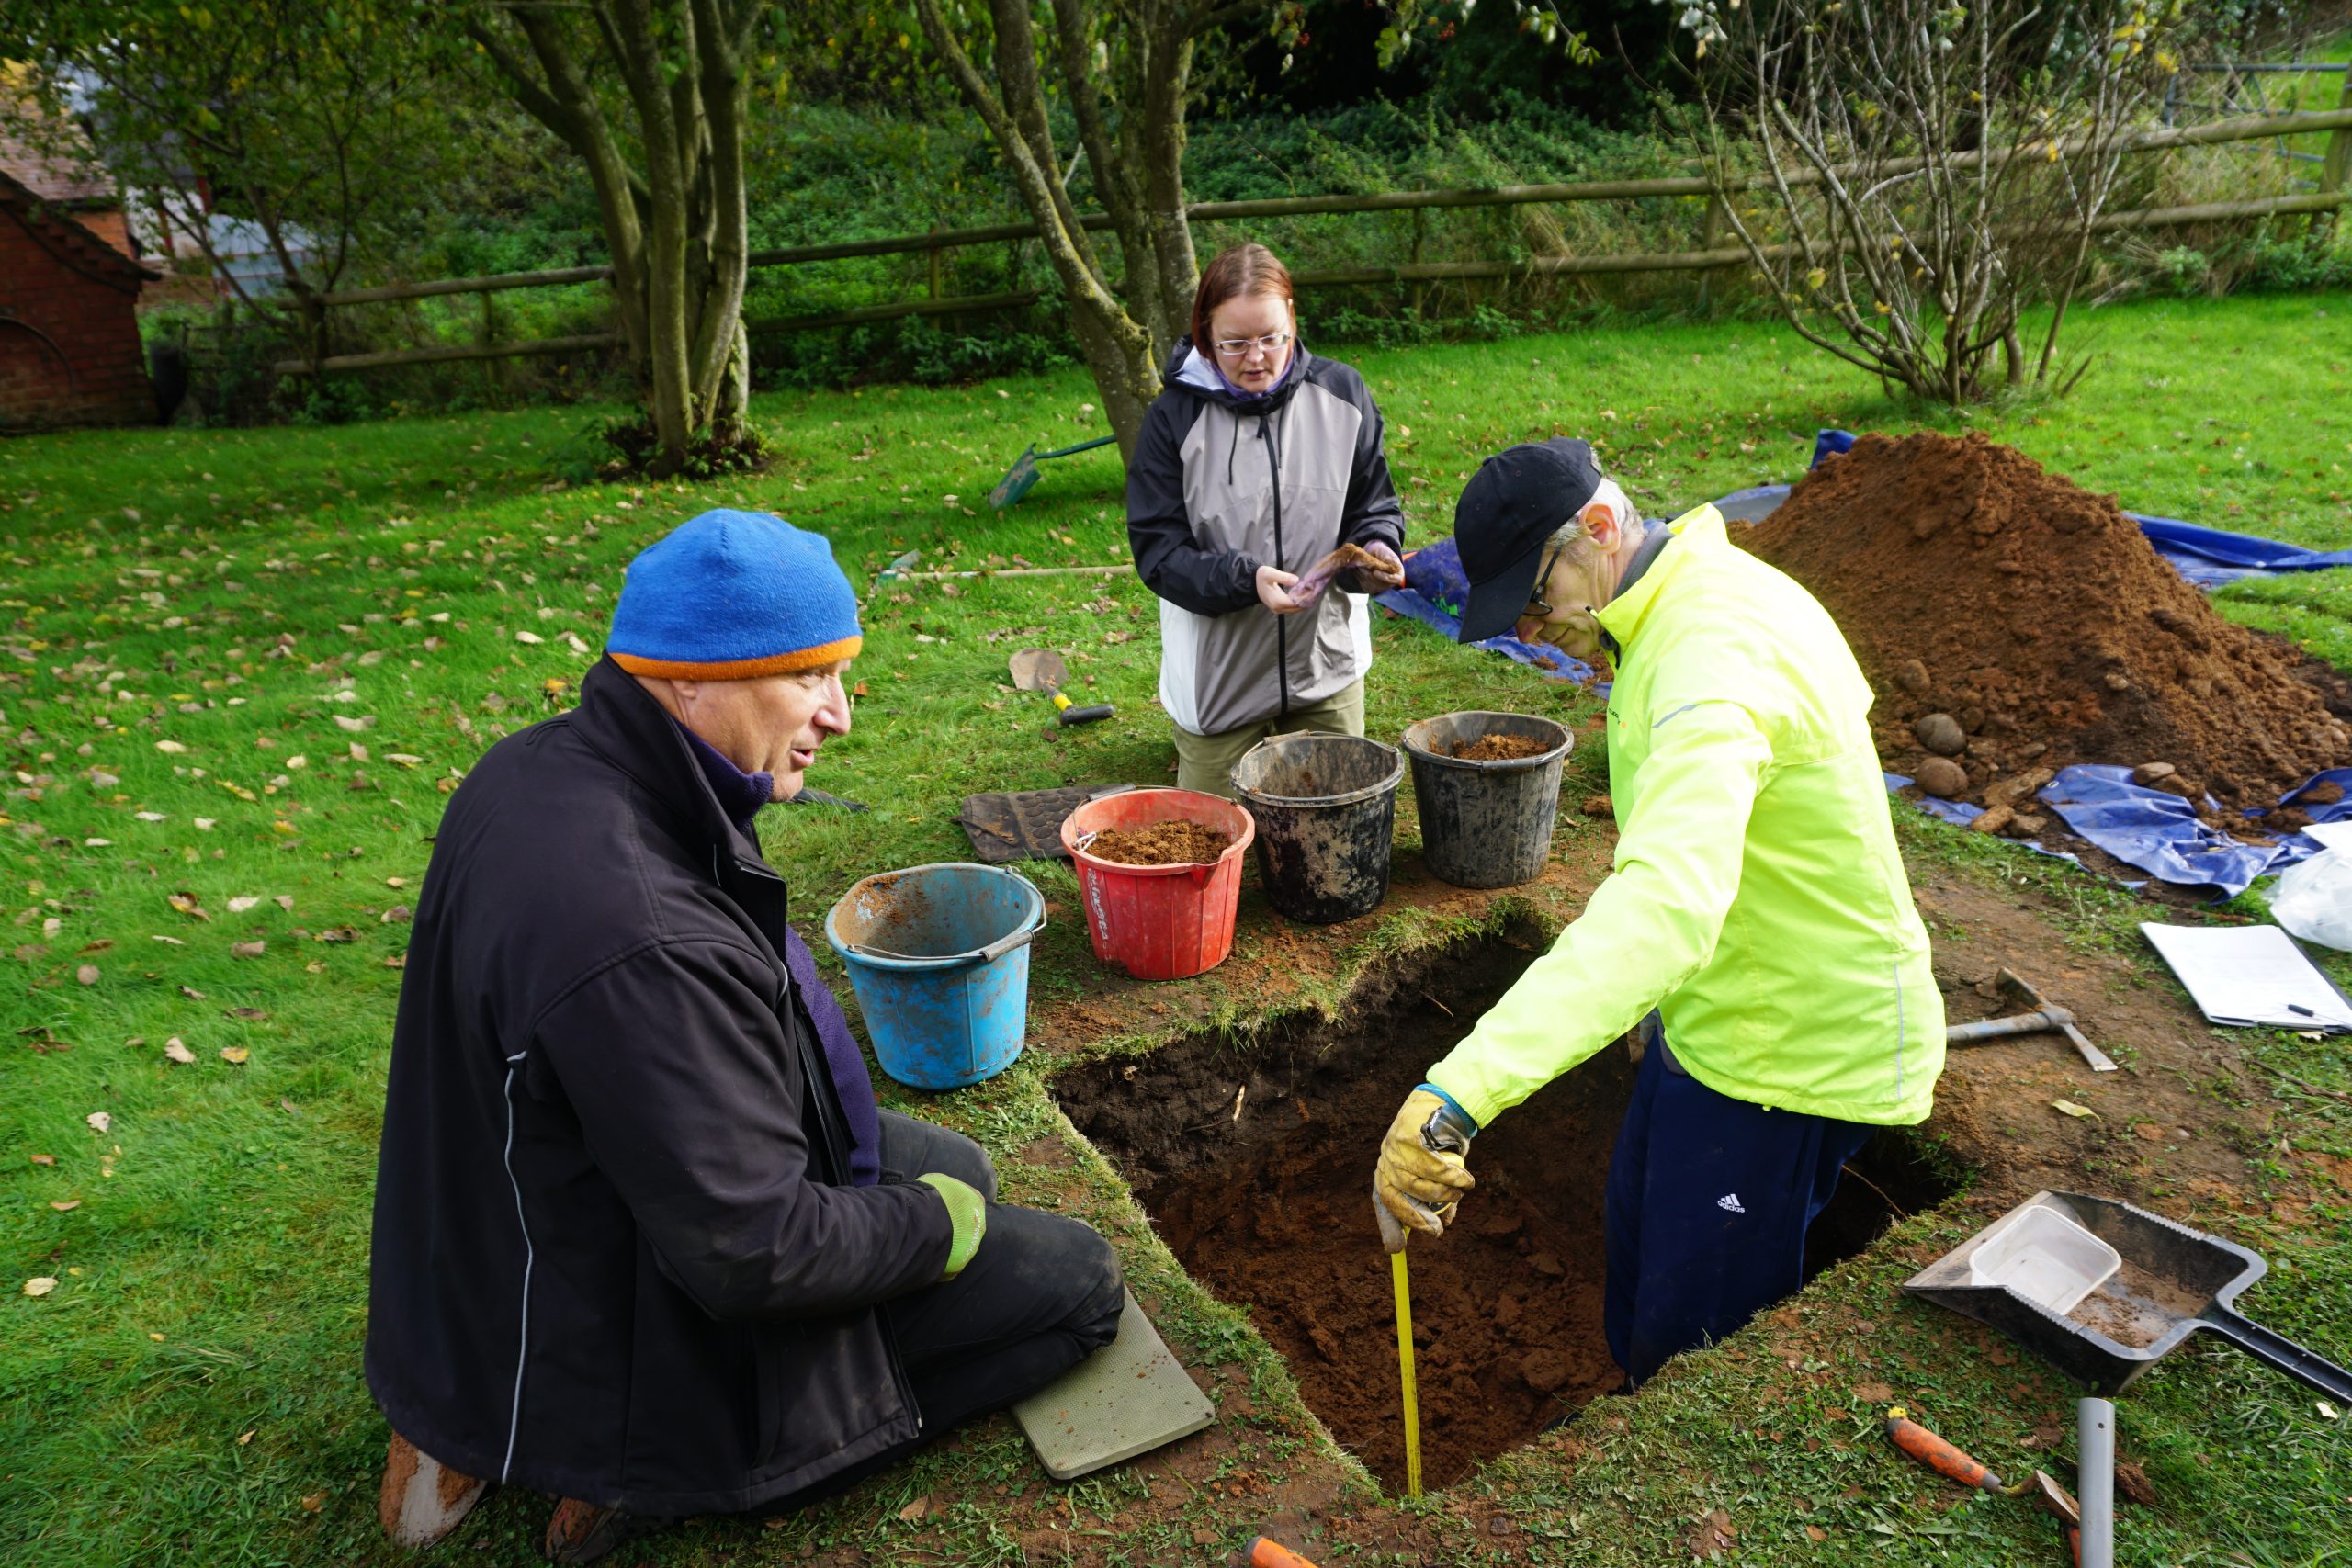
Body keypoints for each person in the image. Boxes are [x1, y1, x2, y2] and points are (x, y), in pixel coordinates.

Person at [367, 512, 1125, 1565]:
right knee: (1079, 1284)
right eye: (809, 677)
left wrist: (921, 1209)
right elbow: (757, 1252)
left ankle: (548, 1427)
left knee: (963, 1170)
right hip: (614, 1294)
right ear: (690, 678)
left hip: (537, 1203)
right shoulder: (638, 937)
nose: (840, 715)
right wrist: (922, 1232)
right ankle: (668, 1471)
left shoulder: (541, 770)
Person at [1371, 438, 1944, 1389]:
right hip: (1721, 1013)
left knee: (1691, 1343)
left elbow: (1669, 901)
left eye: (1535, 595)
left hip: (1791, 1054)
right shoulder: (1681, 605)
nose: (1531, 628)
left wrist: (1459, 1094)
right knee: (1638, 1250)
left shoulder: (1706, 657)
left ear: (1599, 528)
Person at [1125, 243, 1408, 796]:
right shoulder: (1173, 420)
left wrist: (1377, 546)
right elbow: (1159, 553)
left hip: (1325, 667)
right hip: (1219, 684)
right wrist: (1245, 580)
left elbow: (1373, 503)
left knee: (1334, 826)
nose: (1256, 358)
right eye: (1234, 343)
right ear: (1205, 334)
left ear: (1292, 320)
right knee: (1212, 838)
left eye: (1272, 337)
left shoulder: (1343, 395)